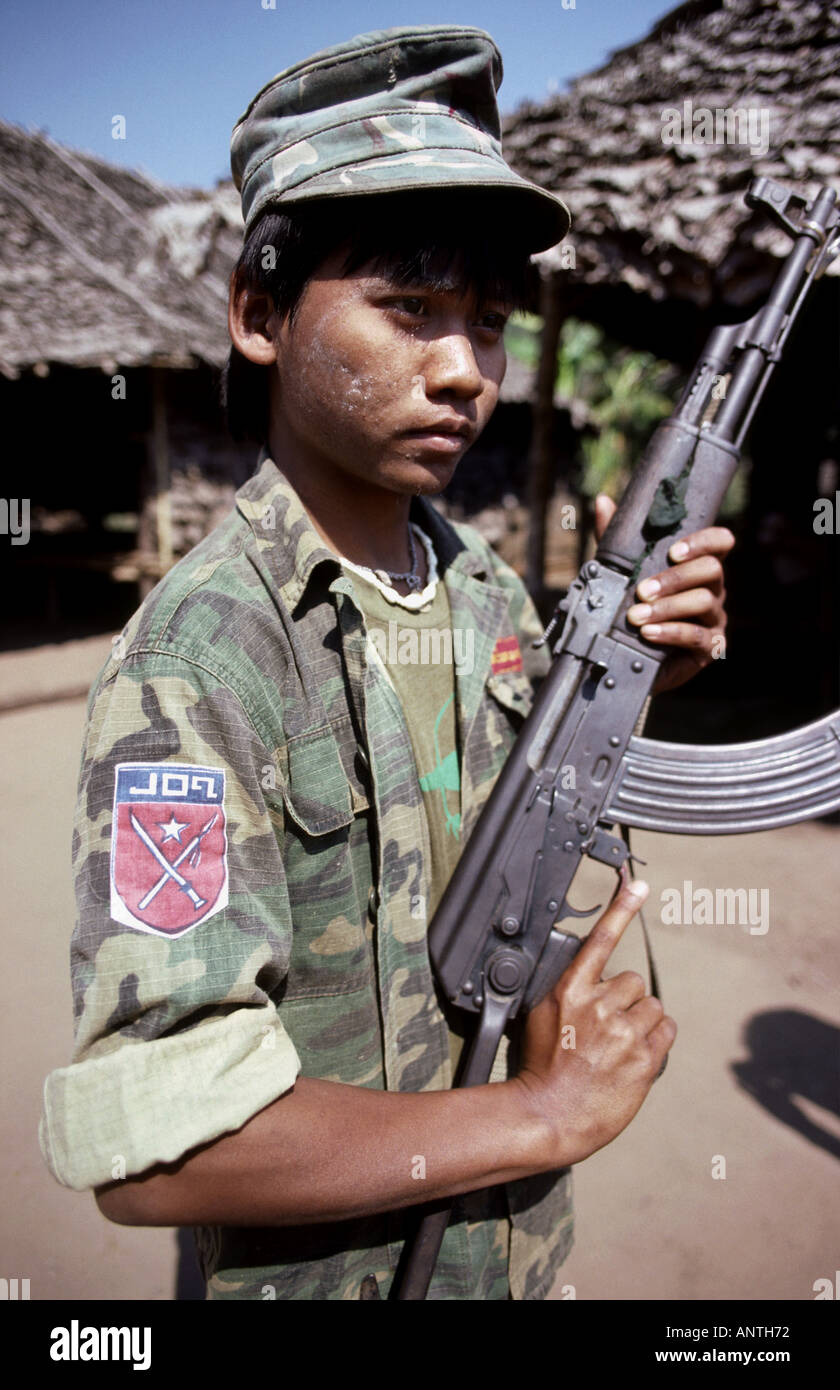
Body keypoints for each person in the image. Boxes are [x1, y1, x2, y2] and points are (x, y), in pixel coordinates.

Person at [38, 25, 733, 1300]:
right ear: (260, 314)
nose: (466, 368)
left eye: (488, 320)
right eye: (409, 307)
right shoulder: (201, 659)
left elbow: (525, 843)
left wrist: (638, 683)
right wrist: (540, 1116)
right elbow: (161, 1153)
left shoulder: (481, 589)